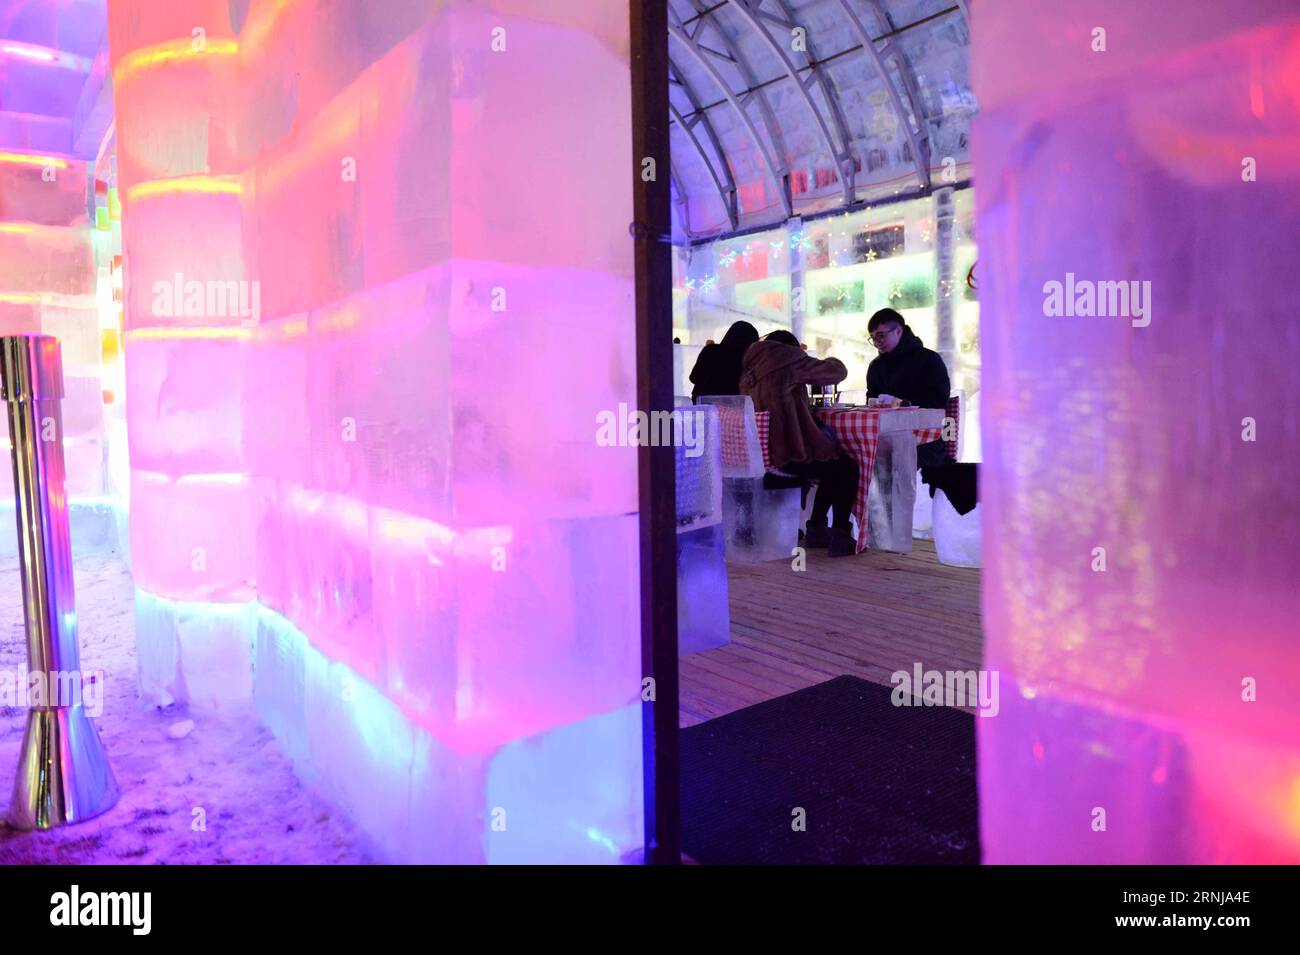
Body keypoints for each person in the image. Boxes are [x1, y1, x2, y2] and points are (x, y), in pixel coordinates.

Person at [740, 329, 860, 556]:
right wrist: (830, 357)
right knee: (847, 467)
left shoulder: (750, 368)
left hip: (762, 455)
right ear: (791, 349)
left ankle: (817, 529)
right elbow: (836, 372)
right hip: (789, 453)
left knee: (833, 464)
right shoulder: (786, 360)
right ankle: (840, 535)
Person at [865, 308, 951, 468]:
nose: (877, 343)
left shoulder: (928, 359)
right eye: (873, 338)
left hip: (924, 440)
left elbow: (939, 399)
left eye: (881, 336)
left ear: (898, 331)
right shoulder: (876, 366)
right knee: (859, 458)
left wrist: (902, 403)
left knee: (894, 462)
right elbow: (871, 400)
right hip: (886, 438)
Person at [689, 320, 759, 401]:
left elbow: (693, 377)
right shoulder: (747, 359)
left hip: (702, 405)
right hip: (732, 408)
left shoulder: (710, 350)